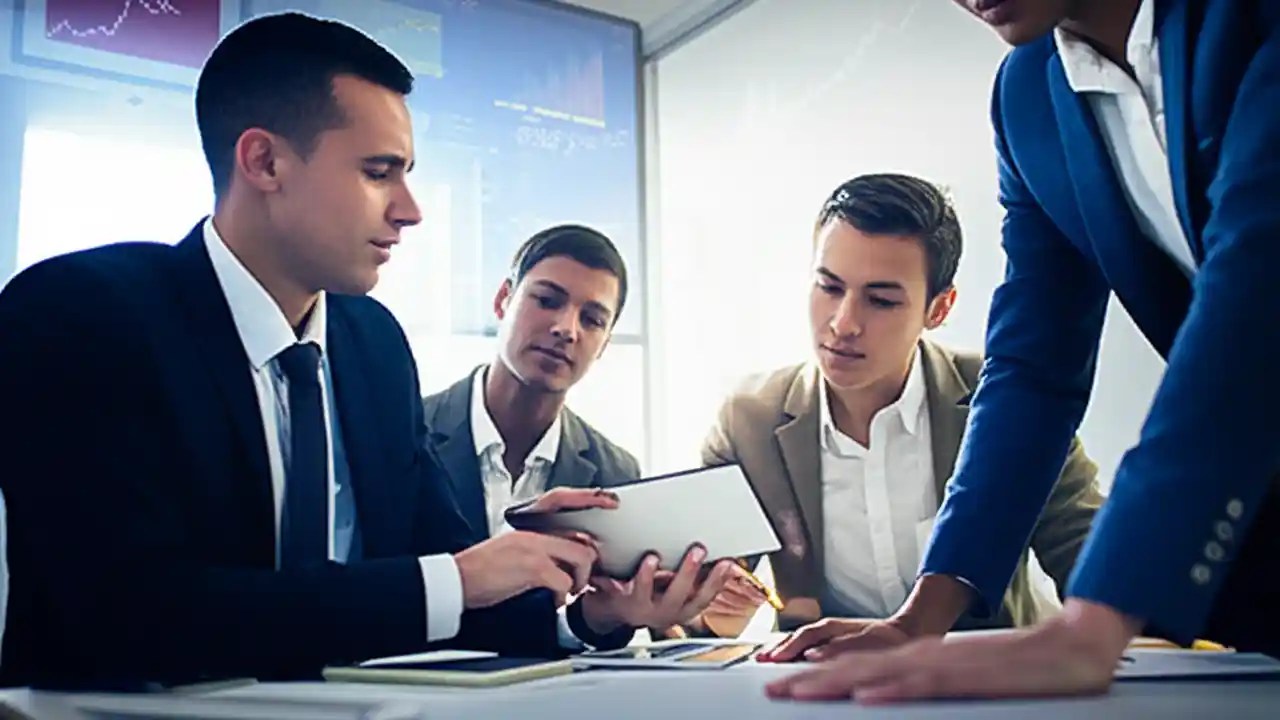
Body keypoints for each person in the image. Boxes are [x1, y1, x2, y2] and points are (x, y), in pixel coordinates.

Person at [0, 12, 624, 689]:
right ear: (264, 161)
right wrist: (458, 576)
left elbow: (444, 594)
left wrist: (584, 611)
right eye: (378, 172)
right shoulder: (78, 316)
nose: (410, 209)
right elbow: (130, 614)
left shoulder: (374, 345)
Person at [767, 0, 1280, 703]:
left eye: (882, 298)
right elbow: (1034, 369)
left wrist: (1094, 624)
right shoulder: (1026, 94)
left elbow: (1257, 293)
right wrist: (923, 617)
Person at [697, 174, 1101, 643]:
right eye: (829, 287)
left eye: (881, 300)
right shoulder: (748, 421)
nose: (844, 323)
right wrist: (714, 610)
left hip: (984, 688)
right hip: (824, 686)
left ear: (939, 308)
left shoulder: (1004, 400)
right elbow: (699, 602)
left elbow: (1090, 560)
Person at [423, 224, 738, 640]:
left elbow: (590, 622)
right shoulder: (407, 429)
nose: (566, 329)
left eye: (592, 319)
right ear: (503, 300)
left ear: (605, 343)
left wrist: (615, 615)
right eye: (547, 300)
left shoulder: (614, 473)